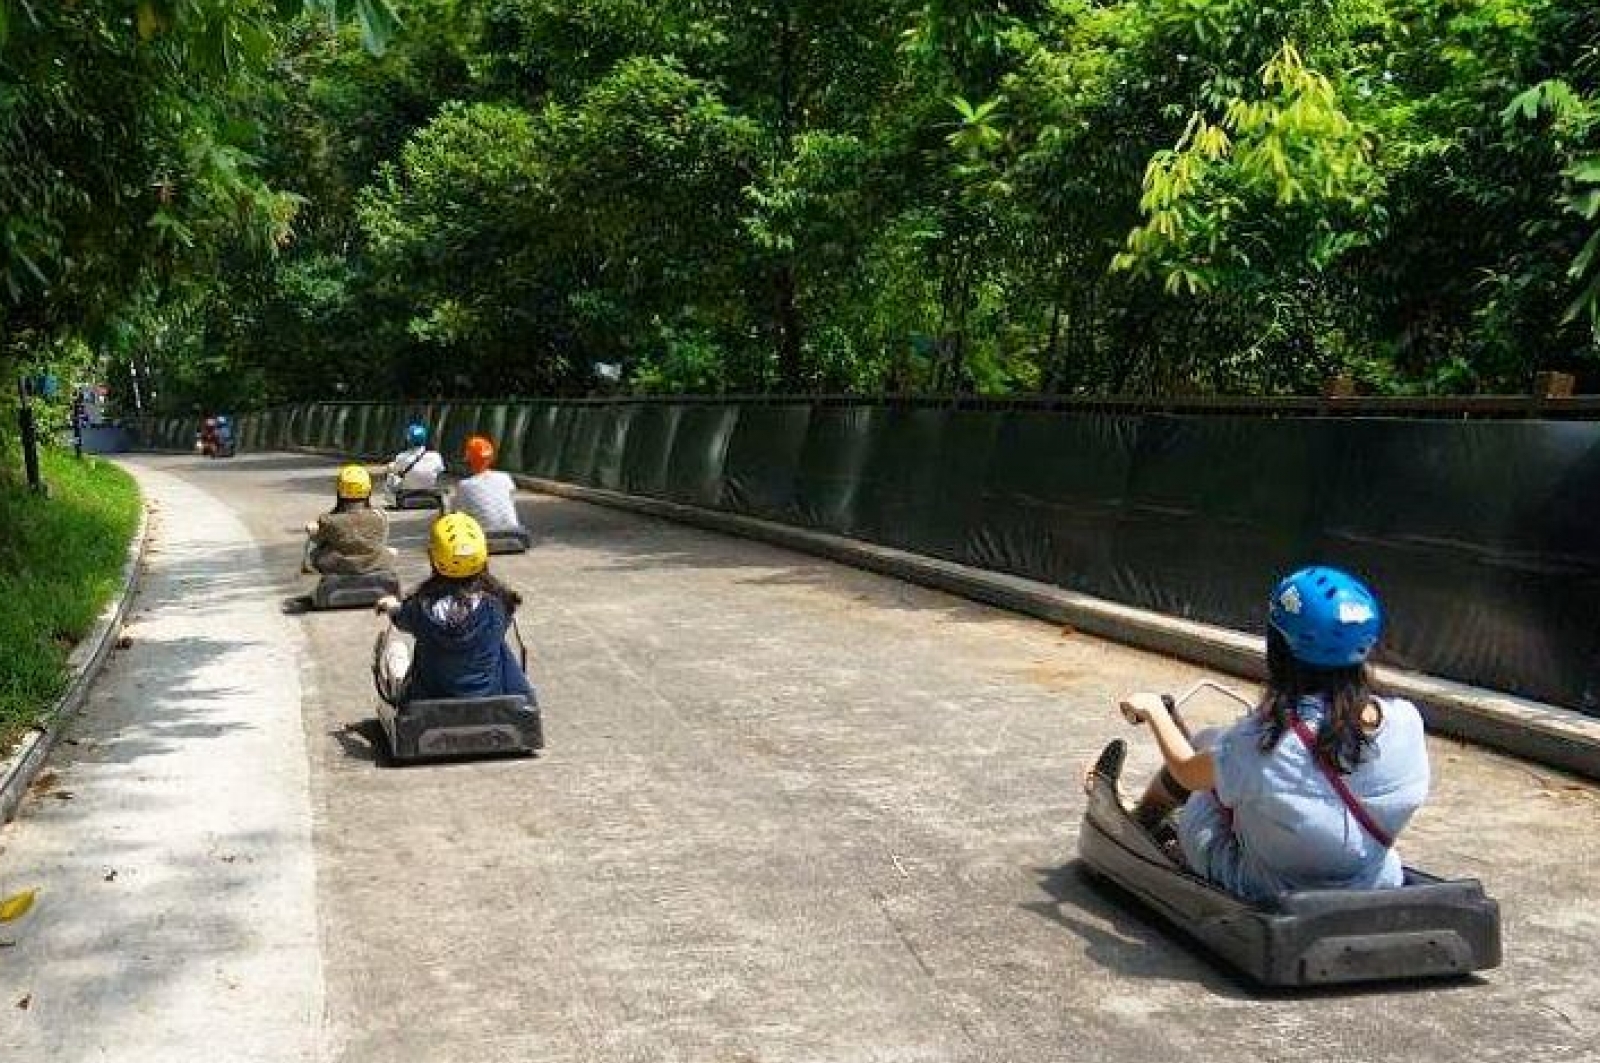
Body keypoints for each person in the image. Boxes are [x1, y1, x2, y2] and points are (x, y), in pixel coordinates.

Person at [1105, 566, 1430, 903]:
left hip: (1271, 889)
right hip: (1375, 879)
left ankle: (1142, 822)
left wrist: (1155, 712)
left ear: (1280, 648)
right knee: (1219, 747)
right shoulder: (1406, 719)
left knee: (1205, 778)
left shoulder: (1264, 743)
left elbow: (1184, 771)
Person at [373, 513, 534, 703]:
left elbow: (400, 618)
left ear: (433, 557)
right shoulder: (499, 603)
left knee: (397, 650)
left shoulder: (420, 607)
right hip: (490, 699)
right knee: (499, 647)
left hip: (430, 704)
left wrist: (391, 605)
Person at [303, 465, 393, 576]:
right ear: (368, 490)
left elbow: (317, 539)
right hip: (375, 565)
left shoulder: (329, 520)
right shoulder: (380, 515)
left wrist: (313, 529)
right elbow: (382, 540)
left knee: (317, 554)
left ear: (339, 491)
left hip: (340, 567)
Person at [450, 435, 525, 535]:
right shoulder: (505, 477)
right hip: (514, 534)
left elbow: (457, 515)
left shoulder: (464, 485)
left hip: (483, 537)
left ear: (469, 460)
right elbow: (510, 501)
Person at [385, 421, 445, 504]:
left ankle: (392, 502)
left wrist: (390, 467)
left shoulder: (402, 457)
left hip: (407, 495)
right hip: (429, 494)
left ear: (409, 440)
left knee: (391, 475)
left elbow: (394, 471)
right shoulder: (436, 456)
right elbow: (440, 474)